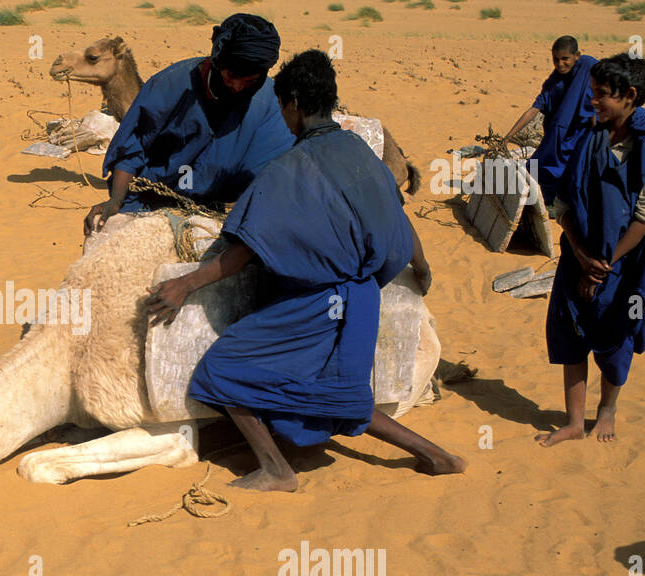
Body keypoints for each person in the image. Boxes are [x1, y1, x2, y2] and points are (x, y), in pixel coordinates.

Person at [144, 50, 464, 490]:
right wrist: (421, 266)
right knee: (339, 396)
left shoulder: (286, 171)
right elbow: (396, 214)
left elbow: (241, 253)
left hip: (316, 306)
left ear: (293, 103)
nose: (282, 116)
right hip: (361, 300)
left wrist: (185, 283)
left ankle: (276, 469)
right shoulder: (356, 149)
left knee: (222, 370)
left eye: (282, 106)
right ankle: (437, 455)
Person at [538, 54, 645, 446]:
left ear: (630, 96)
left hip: (626, 264)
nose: (592, 101)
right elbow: (561, 204)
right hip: (578, 252)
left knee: (617, 333)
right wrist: (581, 254)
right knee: (569, 331)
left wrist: (605, 265)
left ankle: (607, 410)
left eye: (600, 95)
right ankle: (575, 422)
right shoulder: (588, 136)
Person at [83, 13, 295, 234]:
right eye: (232, 75)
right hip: (156, 200)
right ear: (218, 61)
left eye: (250, 80)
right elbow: (132, 145)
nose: (238, 86)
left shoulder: (270, 103)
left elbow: (279, 170)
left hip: (228, 212)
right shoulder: (171, 84)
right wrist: (116, 200)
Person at [503, 36, 598, 210]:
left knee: (578, 173)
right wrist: (508, 137)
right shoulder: (553, 83)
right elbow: (533, 110)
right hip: (556, 137)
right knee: (538, 170)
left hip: (581, 135)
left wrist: (600, 138)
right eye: (555, 59)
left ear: (577, 55)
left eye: (565, 59)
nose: (560, 64)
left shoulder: (588, 68)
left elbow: (592, 105)